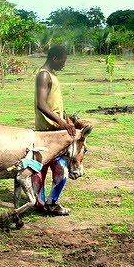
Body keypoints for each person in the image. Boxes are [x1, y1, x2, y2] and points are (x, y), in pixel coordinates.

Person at [32, 45, 76, 216]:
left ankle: (47, 202)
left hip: (54, 130)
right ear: (55, 58)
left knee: (55, 168)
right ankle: (44, 203)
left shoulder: (51, 76)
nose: (64, 65)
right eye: (62, 61)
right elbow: (41, 104)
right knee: (50, 168)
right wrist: (61, 123)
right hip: (46, 132)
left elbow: (54, 104)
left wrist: (66, 119)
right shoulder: (44, 75)